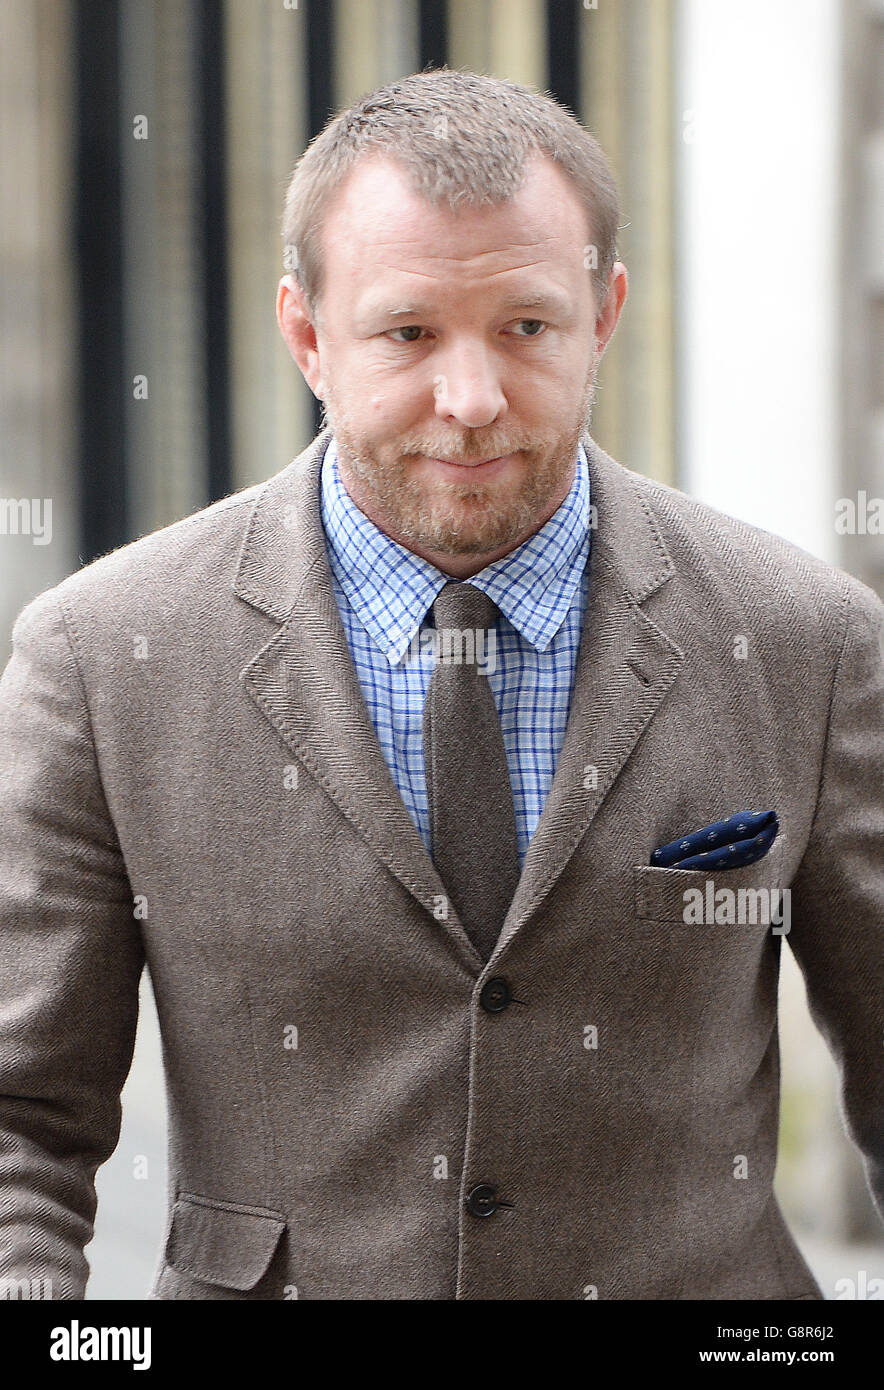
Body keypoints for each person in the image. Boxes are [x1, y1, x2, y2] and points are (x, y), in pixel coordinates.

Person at [0, 67, 881, 1302]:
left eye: (525, 327)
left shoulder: (810, 643)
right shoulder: (99, 658)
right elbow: (20, 1125)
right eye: (407, 333)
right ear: (306, 334)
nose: (469, 403)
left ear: (603, 314)